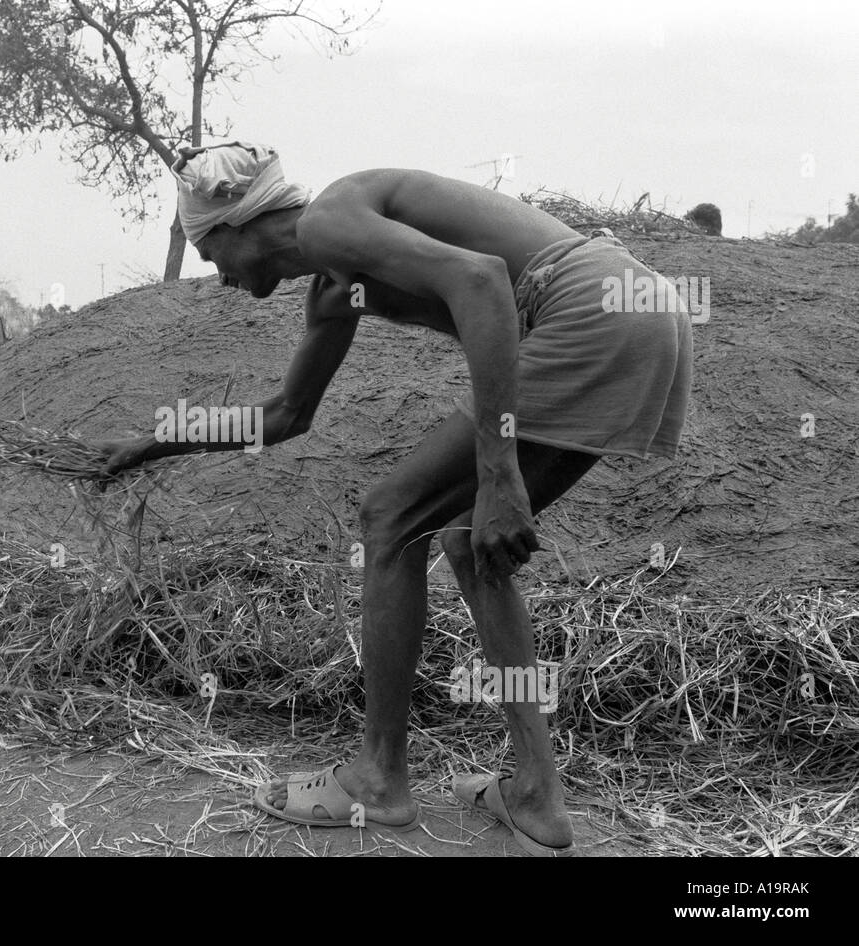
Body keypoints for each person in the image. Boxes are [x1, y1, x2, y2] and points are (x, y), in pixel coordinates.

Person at [98, 142, 692, 856]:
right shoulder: (332, 282)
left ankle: (380, 780)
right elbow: (287, 414)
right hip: (643, 308)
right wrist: (157, 442)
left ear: (234, 226)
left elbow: (481, 282)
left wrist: (498, 469)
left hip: (587, 304)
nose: (217, 275)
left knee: (389, 519)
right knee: (473, 545)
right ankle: (537, 798)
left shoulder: (328, 220)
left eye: (208, 252)